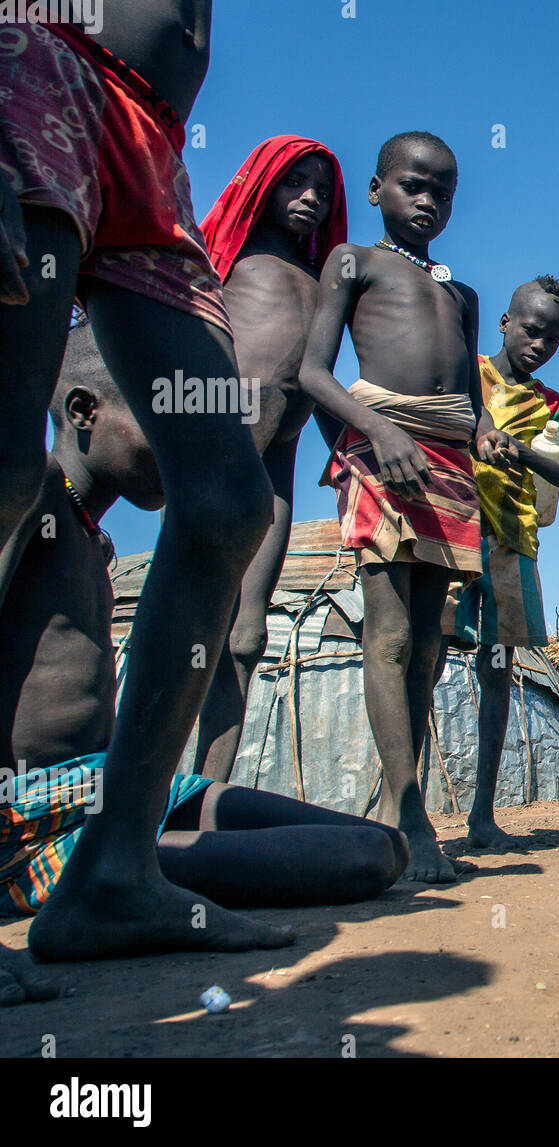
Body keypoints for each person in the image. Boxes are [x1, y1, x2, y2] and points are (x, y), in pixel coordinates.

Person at [1, 8, 295, 961]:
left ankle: (115, 873)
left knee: (225, 504)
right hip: (41, 62)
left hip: (148, 139)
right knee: (8, 474)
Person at [1, 319, 408, 934]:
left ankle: (126, 853)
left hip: (117, 792)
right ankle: (103, 888)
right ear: (84, 411)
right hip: (30, 818)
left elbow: (269, 404)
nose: (181, 446)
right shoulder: (29, 496)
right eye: (160, 419)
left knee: (383, 846)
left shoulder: (91, 539)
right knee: (356, 860)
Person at [299, 131, 501, 882]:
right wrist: (376, 430)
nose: (428, 200)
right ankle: (414, 816)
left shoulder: (462, 295)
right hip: (383, 447)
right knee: (386, 634)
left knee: (429, 640)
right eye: (414, 185)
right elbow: (313, 373)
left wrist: (487, 432)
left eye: (443, 191)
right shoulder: (352, 261)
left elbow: (472, 403)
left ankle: (396, 804)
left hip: (447, 461)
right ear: (378, 187)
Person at [194, 136, 349, 782]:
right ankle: (139, 806)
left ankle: (205, 794)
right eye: (294, 183)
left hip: (271, 485)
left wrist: (352, 453)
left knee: (246, 636)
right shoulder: (235, 268)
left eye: (321, 188)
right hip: (218, 468)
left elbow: (312, 385)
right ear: (261, 188)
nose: (310, 197)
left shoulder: (320, 285)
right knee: (194, 630)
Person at [442, 276, 559, 849]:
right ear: (504, 322)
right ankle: (404, 811)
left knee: (498, 671)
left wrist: (521, 449)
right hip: (449, 532)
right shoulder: (465, 371)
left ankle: (482, 815)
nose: (540, 344)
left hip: (513, 546)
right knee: (425, 658)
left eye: (553, 339)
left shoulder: (553, 406)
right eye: (531, 330)